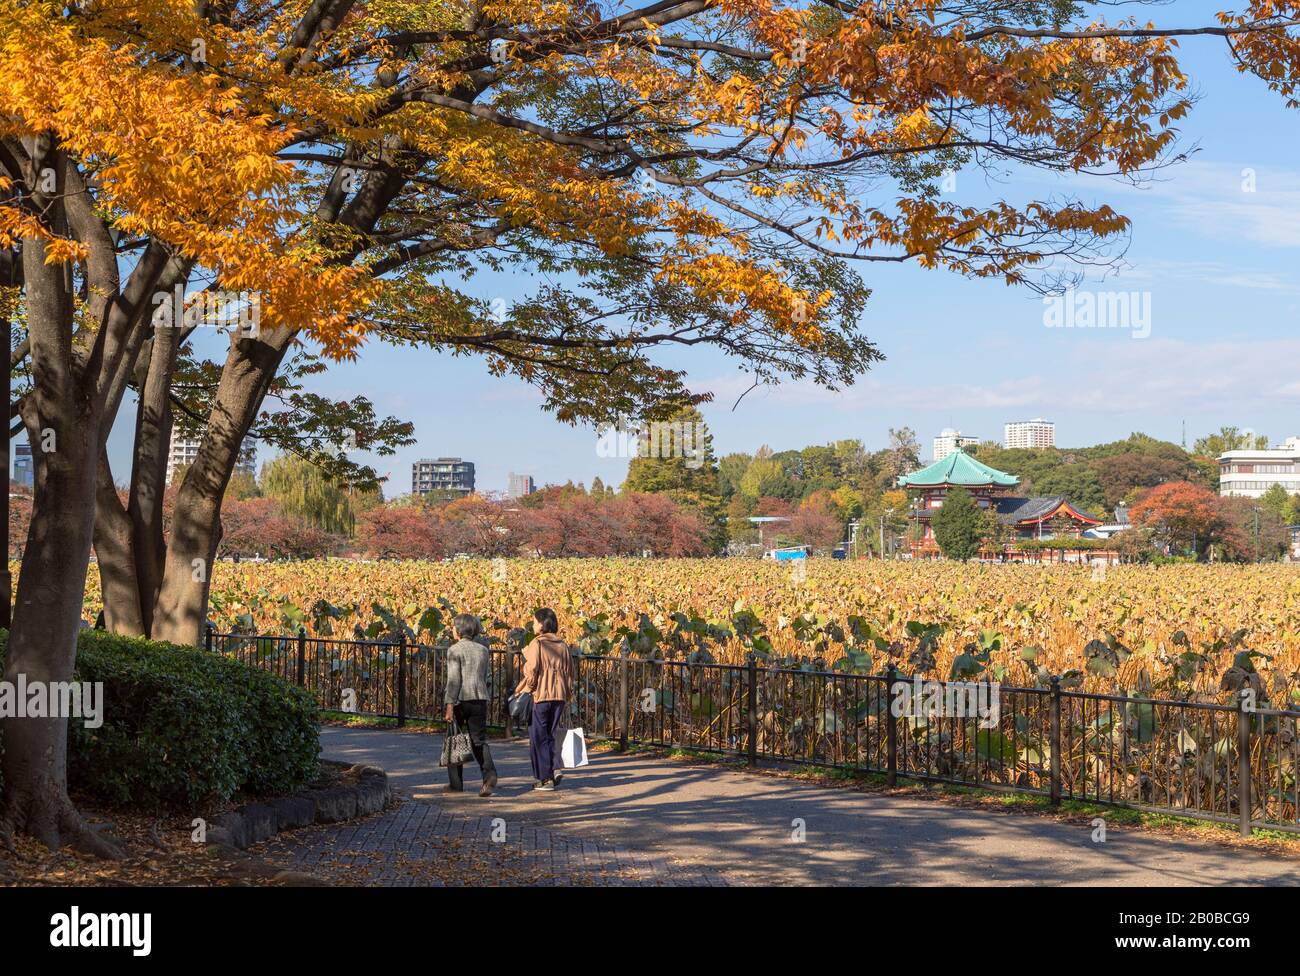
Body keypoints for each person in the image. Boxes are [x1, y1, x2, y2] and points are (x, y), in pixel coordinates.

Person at [514, 607, 574, 791]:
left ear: (541, 624)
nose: (533, 625)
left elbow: (531, 671)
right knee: (550, 734)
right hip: (560, 696)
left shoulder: (537, 644)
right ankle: (554, 768)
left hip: (541, 695)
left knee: (538, 737)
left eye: (534, 621)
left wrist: (529, 689)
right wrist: (567, 694)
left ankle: (544, 778)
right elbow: (570, 672)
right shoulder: (563, 645)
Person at [444, 613, 498, 797]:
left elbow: (453, 680)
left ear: (458, 630)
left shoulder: (454, 650)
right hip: (480, 698)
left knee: (455, 740)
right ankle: (489, 775)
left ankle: (456, 784)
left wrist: (449, 704)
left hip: (460, 700)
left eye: (453, 626)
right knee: (479, 741)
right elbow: (484, 676)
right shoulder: (483, 650)